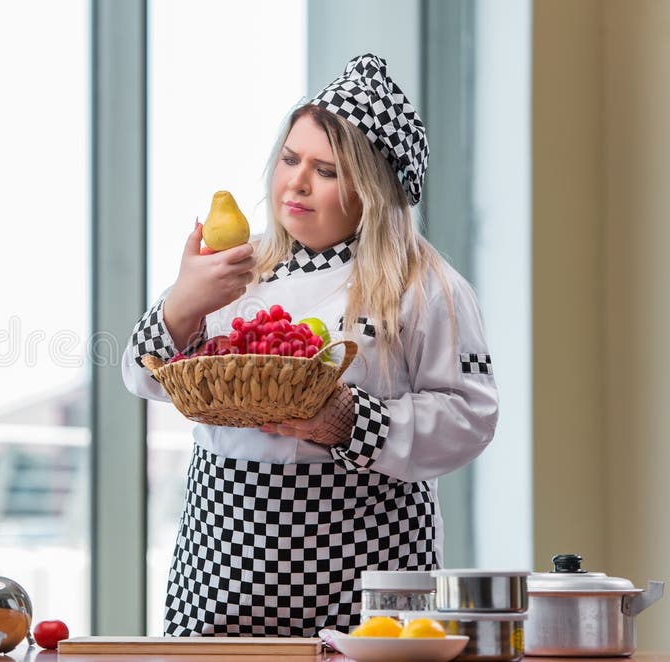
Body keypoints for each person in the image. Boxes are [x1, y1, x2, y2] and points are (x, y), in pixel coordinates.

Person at [120, 53, 498, 637]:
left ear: (374, 190)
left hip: (368, 565)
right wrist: (183, 303)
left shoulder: (427, 287)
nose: (296, 183)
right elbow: (143, 377)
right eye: (290, 159)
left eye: (326, 170)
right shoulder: (233, 269)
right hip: (225, 561)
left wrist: (352, 422)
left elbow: (471, 417)